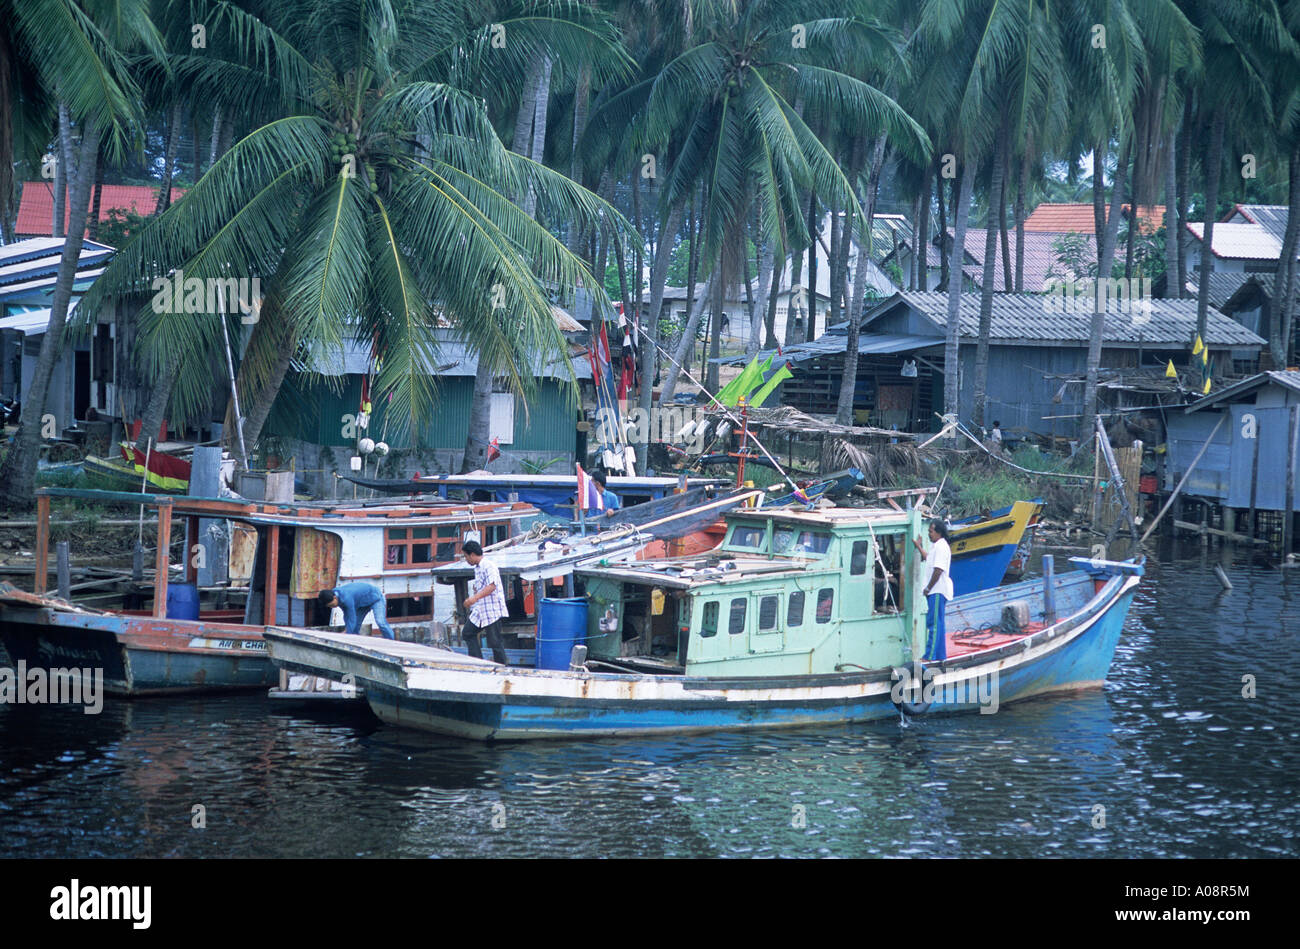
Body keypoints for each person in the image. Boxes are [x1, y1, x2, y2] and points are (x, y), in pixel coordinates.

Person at [461, 539, 509, 664]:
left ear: (472, 554)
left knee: (495, 642)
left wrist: (474, 598)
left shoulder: (488, 565)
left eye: (466, 557)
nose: (466, 560)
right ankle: (478, 662)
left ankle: (502, 667)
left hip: (492, 609)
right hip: (481, 609)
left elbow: (492, 586)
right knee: (467, 633)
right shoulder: (477, 568)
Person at [911, 518, 953, 661]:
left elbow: (938, 569)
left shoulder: (941, 547)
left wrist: (928, 587)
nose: (929, 534)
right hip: (936, 591)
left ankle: (929, 656)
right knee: (939, 623)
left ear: (938, 532)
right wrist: (919, 546)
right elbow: (928, 559)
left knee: (933, 624)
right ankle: (941, 656)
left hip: (937, 590)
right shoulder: (937, 546)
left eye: (930, 531)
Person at [317, 582, 396, 639]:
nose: (332, 607)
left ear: (335, 597)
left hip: (376, 598)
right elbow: (347, 615)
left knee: (380, 622)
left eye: (331, 605)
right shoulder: (336, 595)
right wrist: (348, 631)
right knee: (354, 628)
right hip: (362, 603)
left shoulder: (346, 597)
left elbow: (351, 618)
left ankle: (392, 642)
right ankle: (354, 643)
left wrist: (346, 635)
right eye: (329, 606)